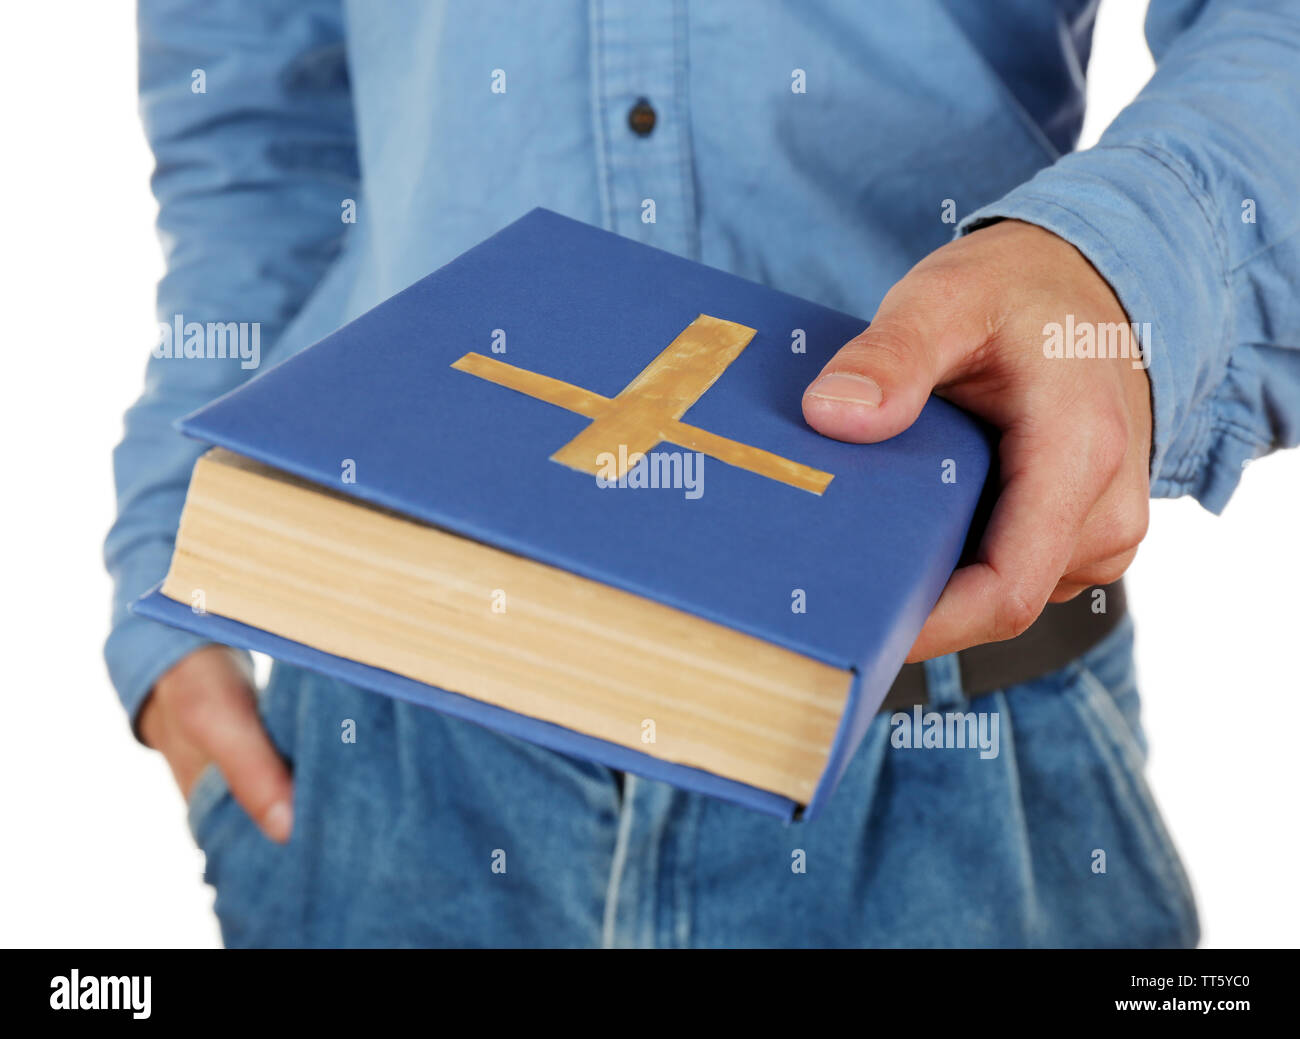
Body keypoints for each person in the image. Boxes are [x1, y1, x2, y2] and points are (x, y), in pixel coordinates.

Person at [107, 0, 1300, 947]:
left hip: (949, 738)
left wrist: (1122, 272)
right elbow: (259, 142)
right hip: (387, 746)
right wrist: (175, 555)